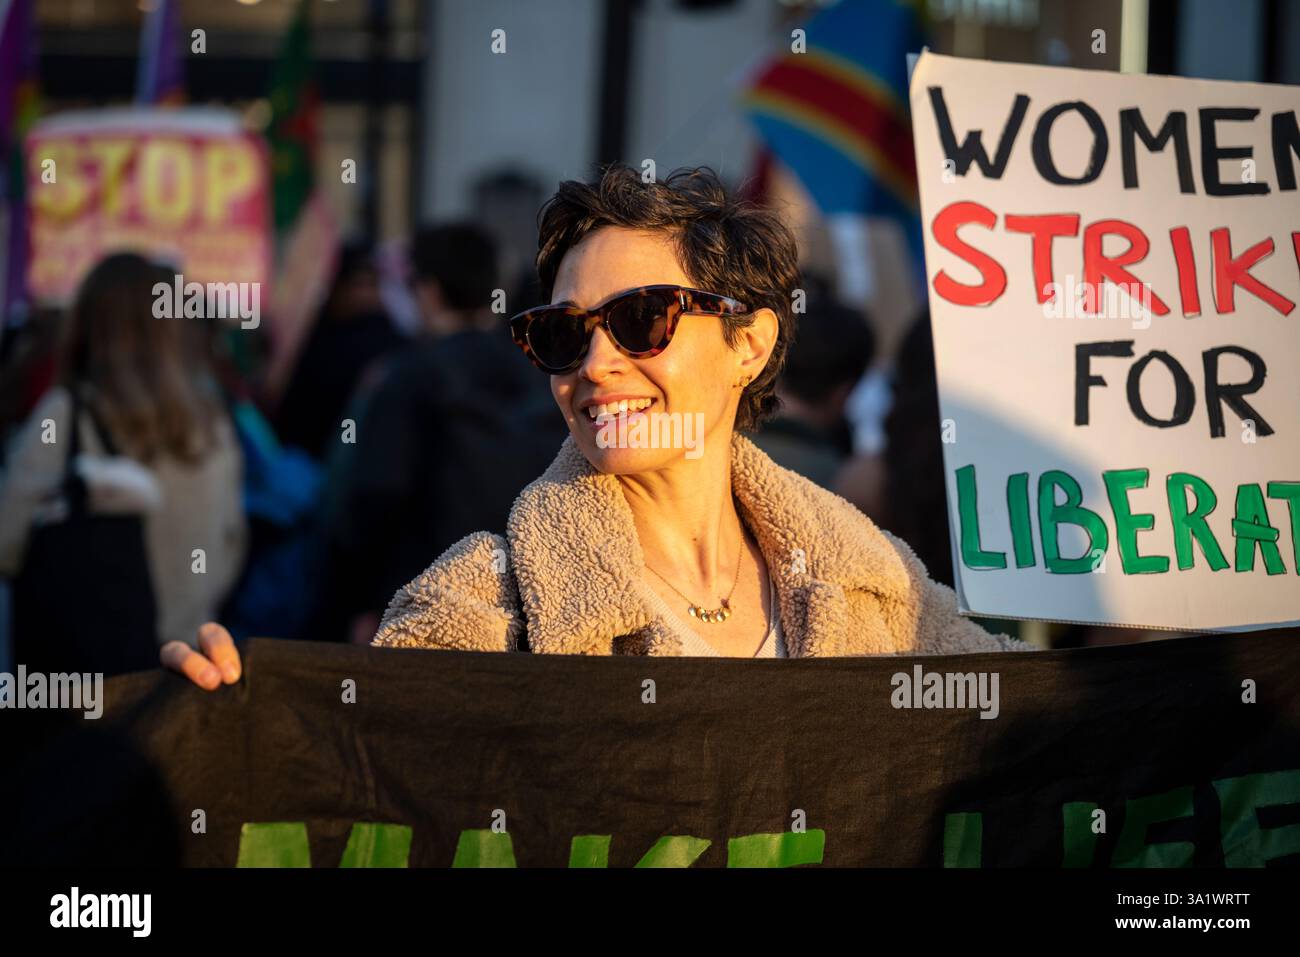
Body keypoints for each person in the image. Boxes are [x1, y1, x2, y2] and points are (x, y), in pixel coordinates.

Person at [166, 165, 1033, 689]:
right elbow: (363, 790)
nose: (595, 363)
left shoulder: (881, 591)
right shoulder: (476, 610)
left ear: (750, 342)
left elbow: (1038, 743)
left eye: (642, 317)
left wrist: (1145, 670)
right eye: (562, 331)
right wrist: (246, 728)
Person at [301, 222, 566, 643]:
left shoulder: (407, 376)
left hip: (422, 604)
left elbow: (374, 497)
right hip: (522, 605)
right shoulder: (536, 373)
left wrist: (365, 601)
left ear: (428, 290)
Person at [0, 252, 247, 653]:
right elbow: (229, 549)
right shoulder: (213, 422)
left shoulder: (68, 414)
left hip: (90, 684)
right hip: (188, 673)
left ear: (86, 324)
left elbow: (7, 542)